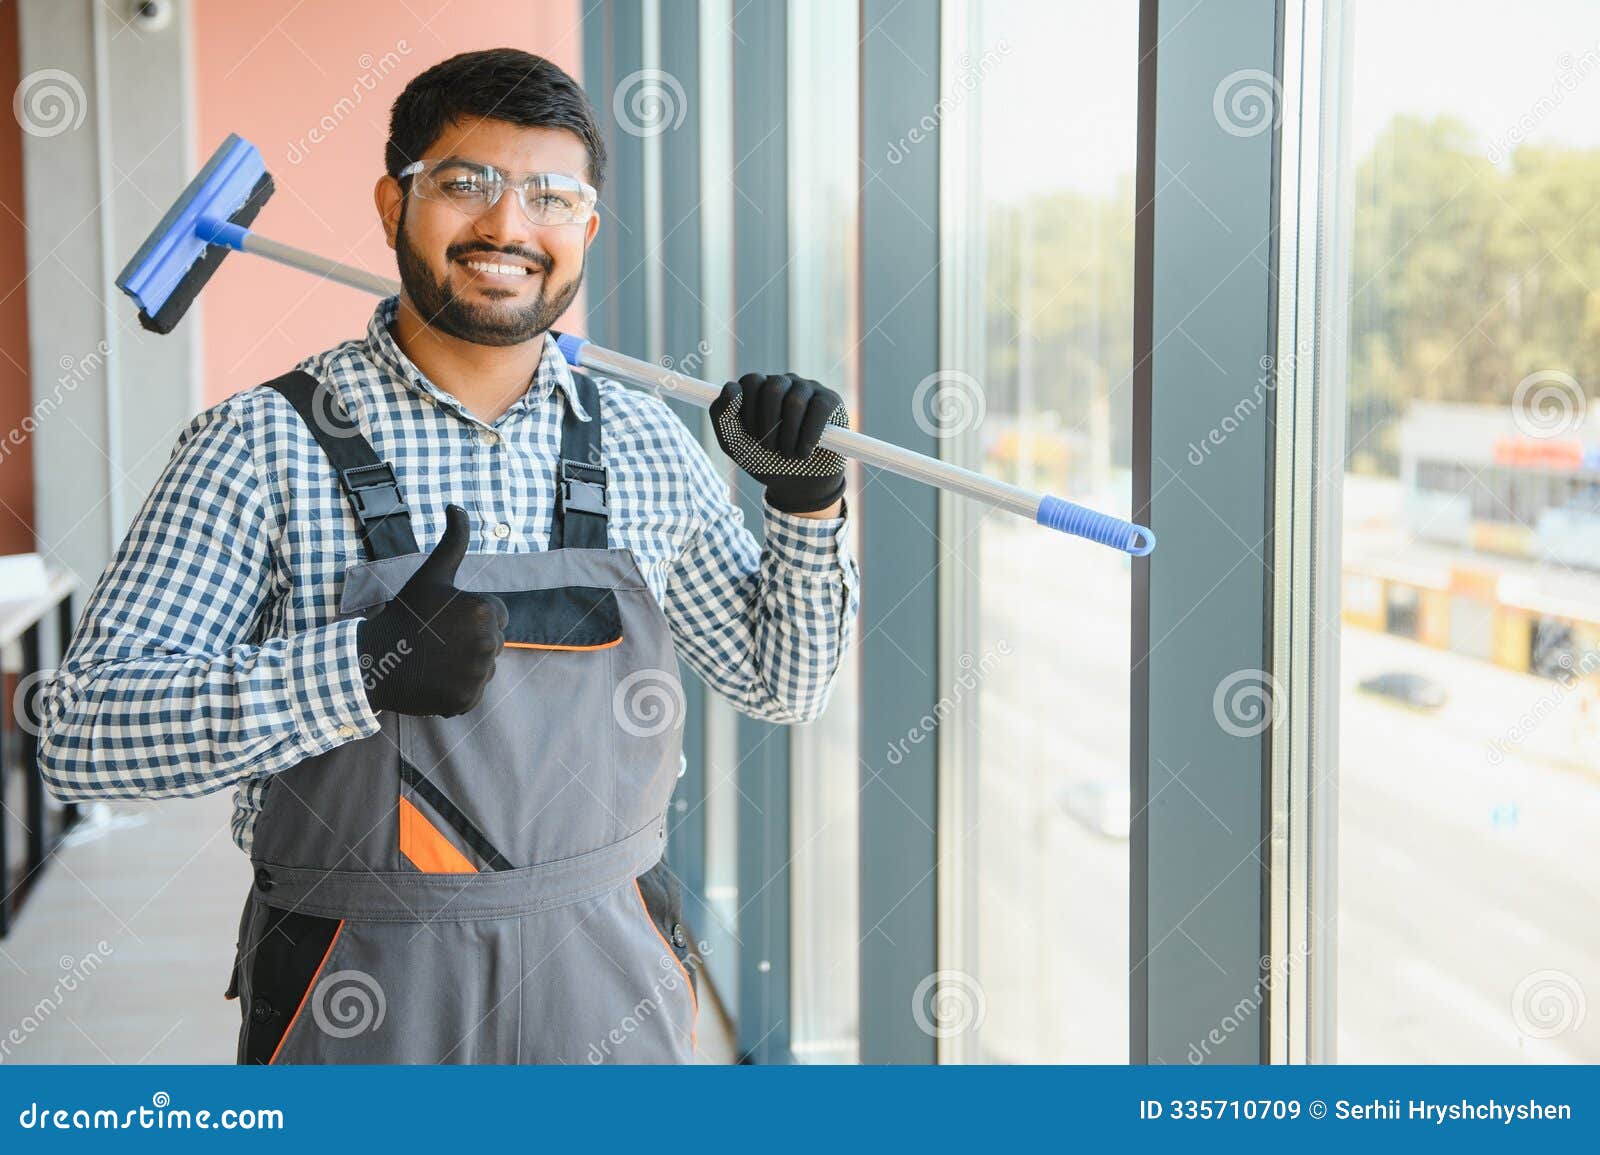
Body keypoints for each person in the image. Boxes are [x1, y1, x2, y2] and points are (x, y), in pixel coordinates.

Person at [37, 47, 859, 1065]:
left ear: (586, 232)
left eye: (549, 197)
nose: (507, 227)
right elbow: (83, 735)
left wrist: (807, 507)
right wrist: (353, 667)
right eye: (465, 184)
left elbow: (787, 685)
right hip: (360, 985)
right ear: (393, 205)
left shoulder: (645, 441)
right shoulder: (259, 442)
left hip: (610, 972)